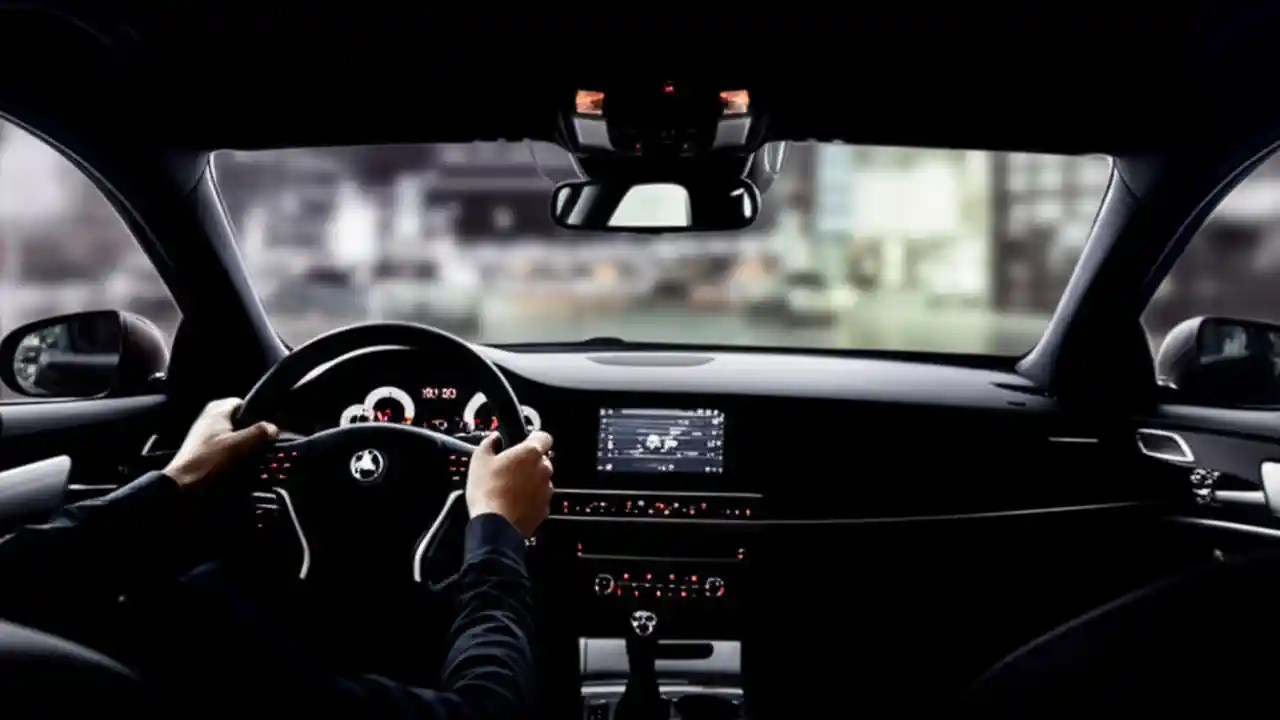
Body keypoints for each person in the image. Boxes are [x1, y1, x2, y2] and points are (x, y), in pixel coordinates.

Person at [0, 397, 554, 718]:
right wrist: (495, 526)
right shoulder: (229, 676)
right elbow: (488, 709)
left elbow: (24, 571)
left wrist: (179, 478)